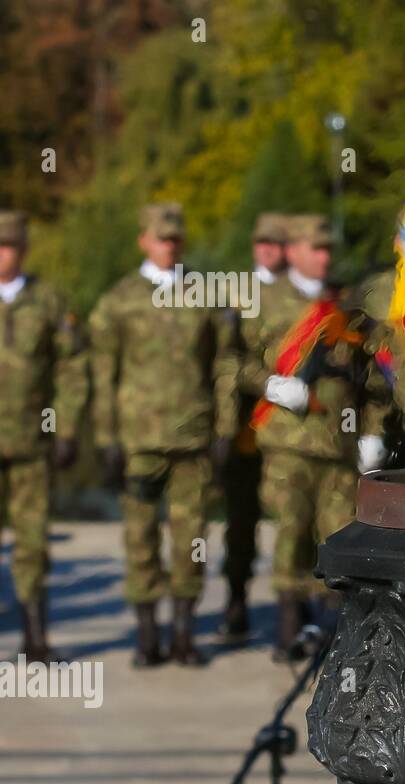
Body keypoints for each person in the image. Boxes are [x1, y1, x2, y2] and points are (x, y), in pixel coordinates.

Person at [232, 213, 389, 660]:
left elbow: (373, 382)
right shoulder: (264, 302)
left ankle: (333, 635)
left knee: (339, 538)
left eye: (327, 249)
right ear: (293, 251)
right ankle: (288, 628)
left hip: (340, 446)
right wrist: (270, 384)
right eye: (314, 249)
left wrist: (372, 435)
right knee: (291, 532)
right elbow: (231, 363)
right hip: (288, 441)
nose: (323, 257)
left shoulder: (348, 309)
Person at [89, 203, 238, 666]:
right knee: (139, 537)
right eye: (160, 237)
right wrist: (105, 438)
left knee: (191, 537)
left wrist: (226, 427)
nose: (168, 245)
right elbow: (102, 373)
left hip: (192, 437)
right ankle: (147, 633)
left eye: (175, 238)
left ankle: (183, 633)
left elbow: (225, 366)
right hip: (139, 439)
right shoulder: (119, 300)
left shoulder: (206, 295)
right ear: (144, 240)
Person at [0, 210, 89, 662]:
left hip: (30, 441)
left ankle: (34, 636)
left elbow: (72, 367)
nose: (2, 255)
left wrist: (66, 427)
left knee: (32, 539)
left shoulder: (48, 302)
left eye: (9, 247)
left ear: (22, 250)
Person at [219, 211, 290, 644]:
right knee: (240, 519)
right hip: (250, 426)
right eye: (262, 242)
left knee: (294, 519)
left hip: (296, 430)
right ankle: (236, 599)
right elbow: (225, 363)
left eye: (277, 243)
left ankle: (297, 606)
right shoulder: (233, 292)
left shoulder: (304, 294)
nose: (269, 250)